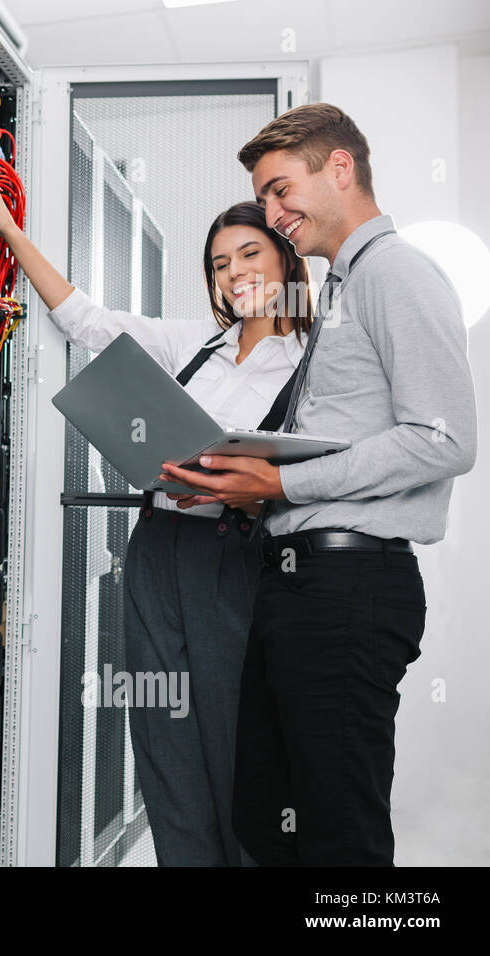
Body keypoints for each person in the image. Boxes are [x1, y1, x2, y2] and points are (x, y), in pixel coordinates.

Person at [158, 103, 478, 865]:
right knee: (272, 819)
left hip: (349, 584)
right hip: (299, 584)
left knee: (340, 834)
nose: (272, 214)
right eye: (264, 198)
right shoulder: (340, 287)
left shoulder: (395, 270)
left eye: (278, 191)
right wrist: (242, 479)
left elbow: (446, 438)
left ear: (340, 168)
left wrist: (279, 484)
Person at [0, 179, 310, 865]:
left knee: (231, 733)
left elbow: (317, 477)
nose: (236, 273)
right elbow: (84, 319)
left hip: (233, 559)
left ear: (285, 261)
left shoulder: (312, 362)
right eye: (220, 264)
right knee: (162, 733)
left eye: (249, 254)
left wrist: (253, 493)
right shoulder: (196, 346)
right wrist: (6, 226)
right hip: (156, 550)